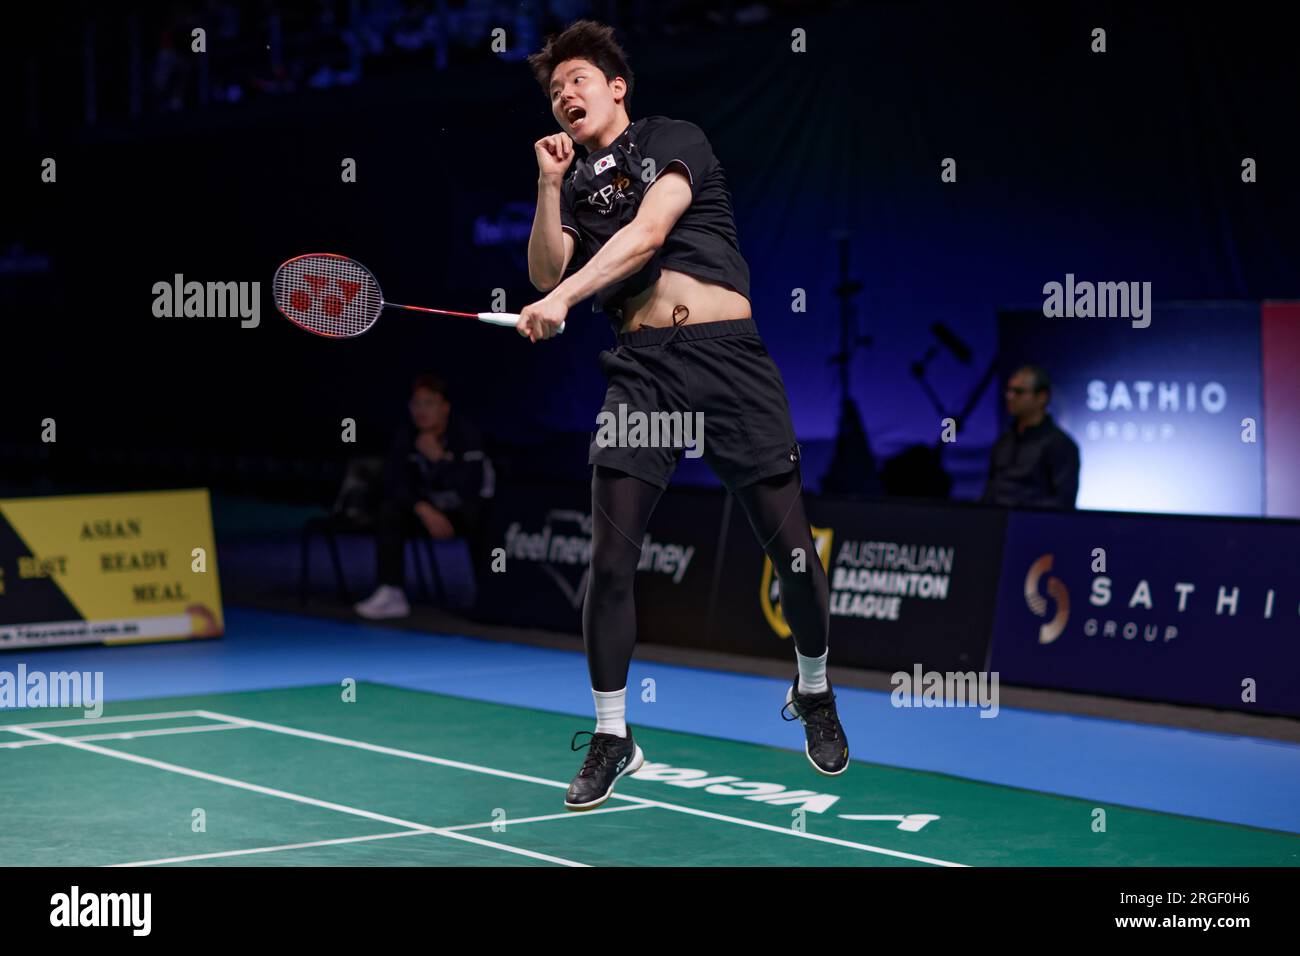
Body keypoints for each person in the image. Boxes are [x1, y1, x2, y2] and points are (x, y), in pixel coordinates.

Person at [520, 20, 848, 812]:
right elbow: (544, 265)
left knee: (795, 556)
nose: (565, 94)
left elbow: (648, 234)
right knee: (607, 559)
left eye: (577, 80)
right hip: (643, 375)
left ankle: (814, 689)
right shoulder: (570, 179)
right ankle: (611, 735)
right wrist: (549, 187)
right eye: (555, 88)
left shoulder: (675, 138)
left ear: (616, 87)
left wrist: (561, 301)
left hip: (727, 359)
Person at [354, 374, 494, 619]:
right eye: (416, 404)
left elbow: (469, 488)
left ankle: (490, 594)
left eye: (429, 403)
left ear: (445, 408)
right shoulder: (405, 435)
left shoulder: (466, 435)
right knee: (390, 510)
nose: (421, 410)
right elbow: (392, 482)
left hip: (465, 513)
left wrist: (438, 459)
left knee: (481, 516)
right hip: (429, 514)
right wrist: (422, 509)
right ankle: (391, 592)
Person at [981, 365, 1080, 509]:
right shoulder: (1003, 442)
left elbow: (1063, 503)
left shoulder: (1061, 445)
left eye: (1018, 392)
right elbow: (990, 492)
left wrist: (1018, 508)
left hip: (1034, 526)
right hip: (995, 524)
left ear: (1042, 397)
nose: (1010, 397)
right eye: (1008, 390)